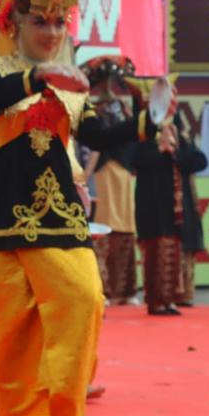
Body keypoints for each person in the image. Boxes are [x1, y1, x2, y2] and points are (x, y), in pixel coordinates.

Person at [0, 0, 158, 416]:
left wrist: (148, 120)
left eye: (58, 23)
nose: (51, 32)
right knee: (11, 320)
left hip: (61, 214)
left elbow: (97, 136)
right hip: (3, 214)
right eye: (40, 22)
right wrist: (38, 77)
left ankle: (71, 415)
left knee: (86, 299)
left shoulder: (73, 87)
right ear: (15, 24)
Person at [130, 115, 205, 316]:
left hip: (177, 208)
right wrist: (159, 151)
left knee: (175, 251)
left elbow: (200, 161)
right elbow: (134, 160)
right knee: (155, 251)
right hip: (153, 206)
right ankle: (156, 301)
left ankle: (171, 299)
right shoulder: (144, 140)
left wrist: (174, 153)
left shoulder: (181, 141)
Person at [81, 56, 139, 306]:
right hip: (102, 172)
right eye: (104, 79)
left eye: (112, 79)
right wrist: (85, 174)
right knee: (103, 229)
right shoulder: (92, 109)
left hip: (123, 172)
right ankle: (102, 287)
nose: (108, 84)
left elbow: (132, 138)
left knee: (125, 229)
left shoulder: (123, 108)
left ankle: (125, 289)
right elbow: (95, 143)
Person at [177, 121, 206, 307]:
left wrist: (180, 146)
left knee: (187, 244)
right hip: (161, 196)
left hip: (184, 198)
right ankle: (172, 292)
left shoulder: (183, 142)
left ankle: (186, 291)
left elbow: (201, 162)